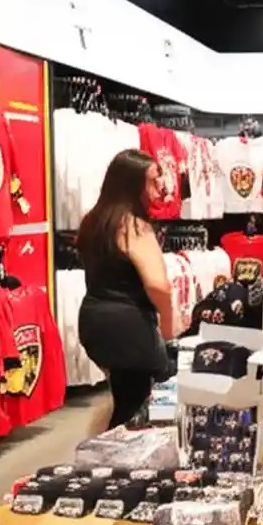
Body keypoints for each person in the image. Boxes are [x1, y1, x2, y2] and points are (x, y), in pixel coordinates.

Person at [76, 149, 176, 429]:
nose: (161, 186)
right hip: (129, 327)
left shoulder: (94, 222)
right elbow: (159, 286)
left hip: (95, 320)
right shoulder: (134, 226)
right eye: (153, 180)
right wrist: (169, 335)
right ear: (133, 185)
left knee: (125, 398)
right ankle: (122, 466)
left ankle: (111, 462)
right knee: (143, 408)